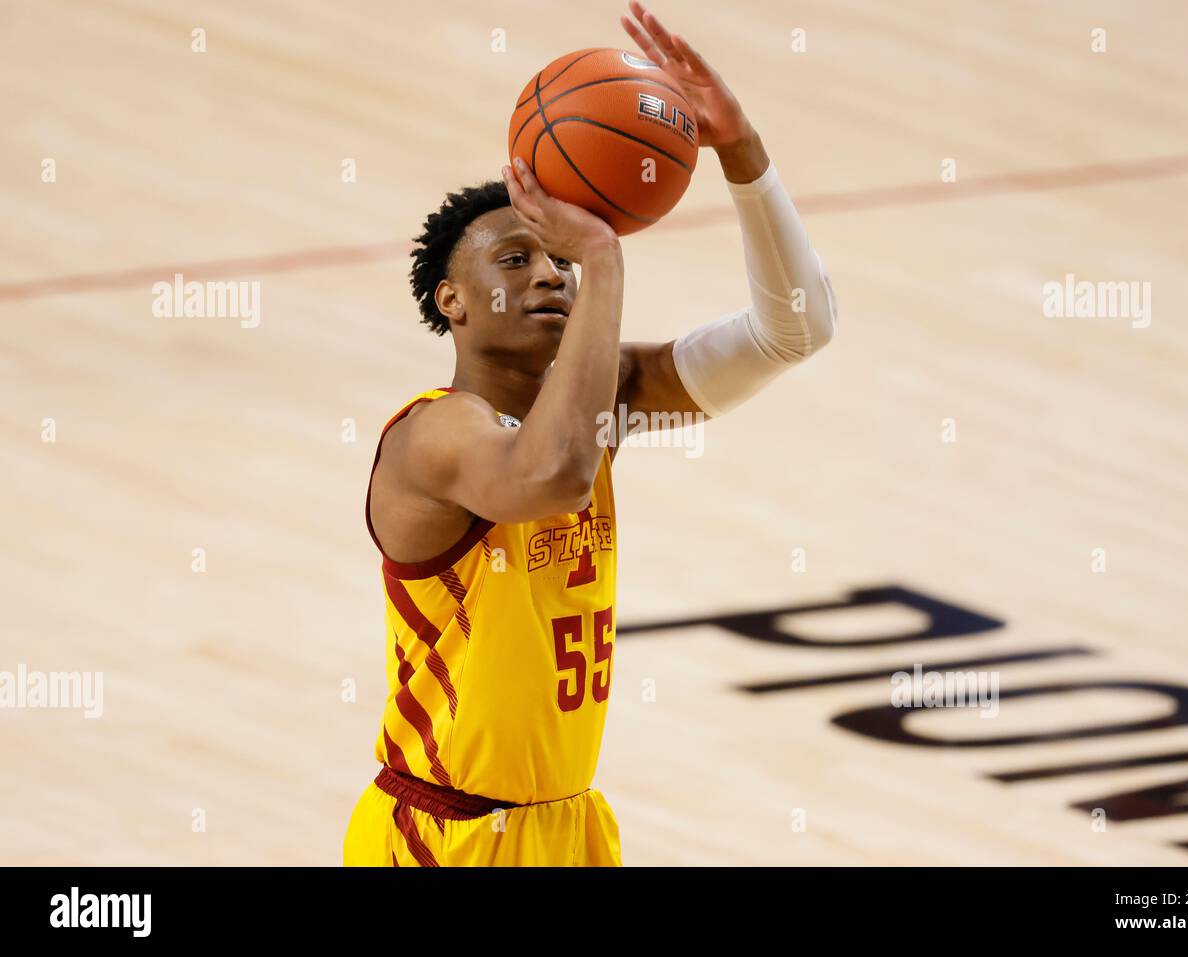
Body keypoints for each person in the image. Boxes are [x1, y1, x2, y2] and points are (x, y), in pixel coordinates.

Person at [342, 0, 836, 866]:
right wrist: (603, 258)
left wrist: (741, 150)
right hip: (444, 834)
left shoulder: (593, 404)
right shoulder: (435, 437)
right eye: (515, 259)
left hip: (569, 824)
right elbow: (553, 476)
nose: (550, 274)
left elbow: (794, 331)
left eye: (559, 259)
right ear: (449, 302)